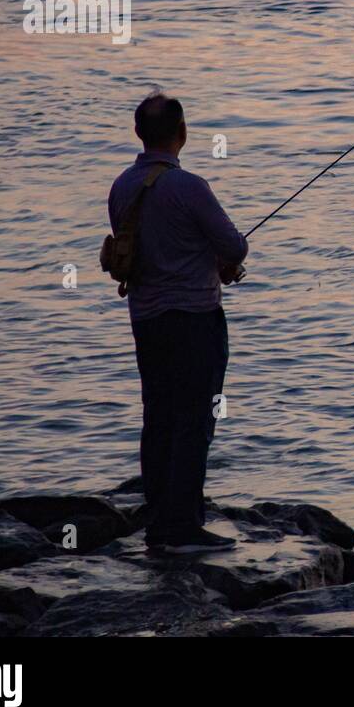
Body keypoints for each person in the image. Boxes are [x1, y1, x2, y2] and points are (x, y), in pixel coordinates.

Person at [108, 92, 248, 554]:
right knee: (193, 421)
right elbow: (235, 245)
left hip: (147, 321)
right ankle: (183, 527)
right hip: (194, 321)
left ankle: (159, 517)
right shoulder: (189, 187)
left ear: (138, 133)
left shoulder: (122, 187)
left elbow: (158, 248)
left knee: (159, 417)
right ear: (182, 132)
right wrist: (222, 260)